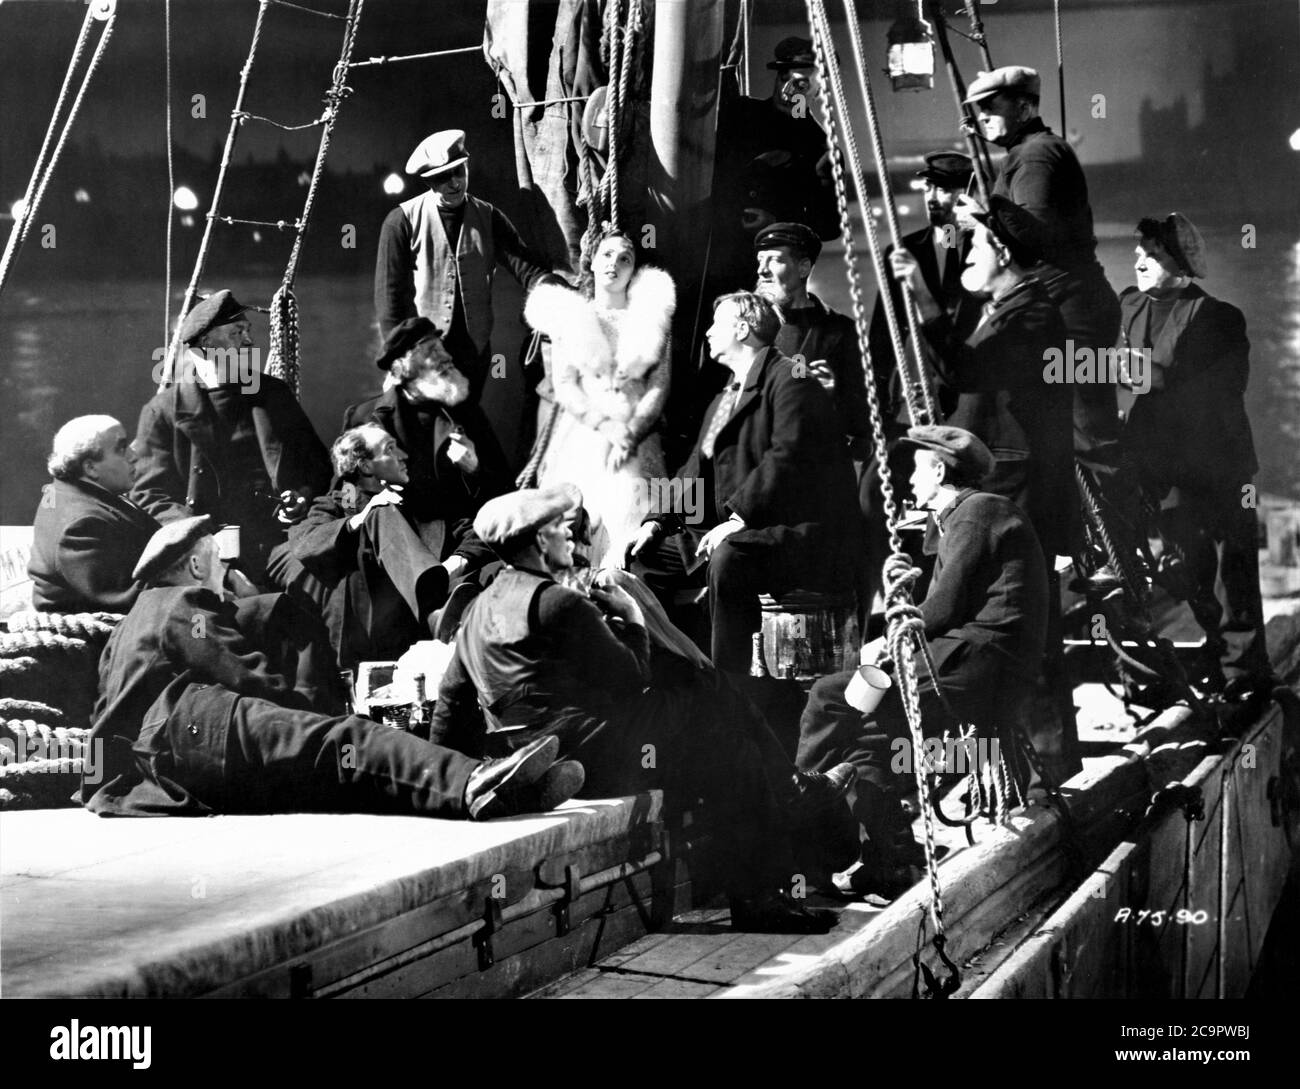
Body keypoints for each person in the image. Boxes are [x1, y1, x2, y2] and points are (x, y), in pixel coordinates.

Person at [431, 484, 855, 934]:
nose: (571, 539)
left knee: (716, 726)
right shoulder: (558, 602)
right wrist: (632, 616)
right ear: (539, 542)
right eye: (561, 530)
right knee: (716, 715)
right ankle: (774, 858)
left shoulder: (476, 610)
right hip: (595, 758)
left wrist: (452, 786)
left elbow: (450, 703)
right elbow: (630, 678)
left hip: (539, 762)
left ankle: (783, 821)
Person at [83, 515, 583, 821]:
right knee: (345, 740)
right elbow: (242, 673)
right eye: (217, 563)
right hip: (193, 729)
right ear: (194, 567)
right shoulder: (184, 602)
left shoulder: (132, 621)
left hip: (170, 751)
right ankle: (476, 782)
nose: (225, 574)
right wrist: (308, 717)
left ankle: (497, 791)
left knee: (335, 772)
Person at [797, 426, 1049, 900]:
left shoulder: (975, 515)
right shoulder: (971, 516)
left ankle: (800, 813)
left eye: (915, 472)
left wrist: (885, 642)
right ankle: (888, 861)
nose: (909, 483)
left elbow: (942, 610)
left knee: (829, 696)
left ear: (938, 470)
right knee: (873, 738)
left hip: (974, 663)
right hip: (978, 662)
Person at [960, 66, 1135, 575]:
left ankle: (1119, 555)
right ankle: (1087, 544)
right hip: (1064, 309)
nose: (983, 117)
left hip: (1074, 313)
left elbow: (1036, 235)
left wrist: (985, 211)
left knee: (1088, 431)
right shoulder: (1024, 154)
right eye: (978, 110)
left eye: (993, 106)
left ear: (1025, 106)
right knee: (1064, 431)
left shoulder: (1036, 154)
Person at [630, 292, 862, 673]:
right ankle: (674, 676)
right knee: (645, 558)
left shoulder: (791, 378)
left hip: (793, 530)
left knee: (729, 558)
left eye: (716, 325)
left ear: (743, 329)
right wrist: (655, 523)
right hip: (742, 524)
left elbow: (788, 457)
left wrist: (738, 519)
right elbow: (693, 471)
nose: (706, 333)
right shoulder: (725, 396)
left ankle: (730, 690)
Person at [1119, 213, 1271, 704]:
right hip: (1162, 468)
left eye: (1153, 254)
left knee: (1232, 575)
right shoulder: (1126, 305)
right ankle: (1210, 660)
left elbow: (1170, 378)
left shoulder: (1219, 320)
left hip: (1217, 468)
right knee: (1187, 569)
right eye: (1139, 250)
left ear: (1181, 268)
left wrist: (1110, 365)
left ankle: (1244, 678)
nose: (1138, 259)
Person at [891, 196, 1075, 559]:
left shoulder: (1034, 317)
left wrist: (925, 300)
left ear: (1003, 254)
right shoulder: (1005, 312)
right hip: (986, 484)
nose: (969, 255)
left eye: (976, 245)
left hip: (1005, 489)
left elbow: (970, 372)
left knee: (1013, 598)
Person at [130, 290, 332, 589]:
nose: (249, 342)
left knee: (325, 581)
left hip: (280, 539)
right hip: (207, 549)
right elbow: (149, 494)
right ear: (205, 345)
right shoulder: (163, 412)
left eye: (248, 331)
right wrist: (197, 536)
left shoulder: (273, 394)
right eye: (237, 333)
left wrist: (301, 495)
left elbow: (318, 464)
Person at [373, 129, 567, 394]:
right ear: (428, 181)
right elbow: (390, 299)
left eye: (459, 172)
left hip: (474, 352)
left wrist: (559, 294)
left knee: (465, 426)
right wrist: (402, 358)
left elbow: (527, 269)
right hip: (423, 355)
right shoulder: (400, 222)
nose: (454, 183)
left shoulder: (489, 217)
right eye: (442, 177)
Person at [524, 232, 675, 566]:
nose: (614, 264)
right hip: (584, 430)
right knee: (575, 521)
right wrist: (605, 426)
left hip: (636, 434)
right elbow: (565, 386)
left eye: (625, 259)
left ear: (633, 270)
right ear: (591, 262)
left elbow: (659, 386)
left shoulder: (653, 320)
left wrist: (631, 431)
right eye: (607, 255)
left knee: (632, 522)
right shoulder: (572, 316)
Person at [287, 425, 464, 673]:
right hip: (371, 621)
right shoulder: (339, 501)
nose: (403, 455)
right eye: (390, 449)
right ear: (366, 466)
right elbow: (306, 542)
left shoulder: (421, 500)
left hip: (422, 614)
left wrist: (459, 559)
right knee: (382, 513)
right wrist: (362, 517)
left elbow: (472, 530)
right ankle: (432, 600)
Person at [343, 318, 511, 572]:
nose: (446, 357)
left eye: (442, 347)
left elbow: (505, 489)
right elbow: (345, 489)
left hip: (463, 539)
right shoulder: (364, 417)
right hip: (395, 538)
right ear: (402, 370)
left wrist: (475, 469)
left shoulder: (466, 413)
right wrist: (358, 516)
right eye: (431, 351)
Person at [753, 221, 870, 462]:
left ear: (804, 267)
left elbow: (863, 431)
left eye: (773, 260)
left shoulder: (842, 332)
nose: (761, 270)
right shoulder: (739, 324)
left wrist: (830, 395)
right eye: (759, 260)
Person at [28, 415, 162, 614]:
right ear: (90, 468)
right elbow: (123, 600)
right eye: (121, 448)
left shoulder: (71, 492)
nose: (134, 456)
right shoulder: (82, 526)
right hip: (102, 636)